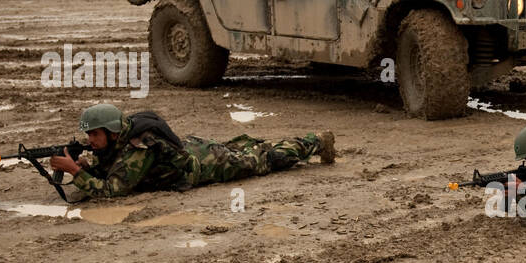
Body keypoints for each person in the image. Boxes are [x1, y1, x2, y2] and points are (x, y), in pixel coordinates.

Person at [48, 104, 334, 200]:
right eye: (88, 135)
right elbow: (113, 169)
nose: (90, 140)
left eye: (94, 134)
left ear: (111, 132)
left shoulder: (138, 147)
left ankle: (315, 141)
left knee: (265, 160)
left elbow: (113, 191)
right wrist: (85, 167)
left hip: (207, 164)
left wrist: (75, 172)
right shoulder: (121, 139)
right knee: (247, 149)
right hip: (195, 149)